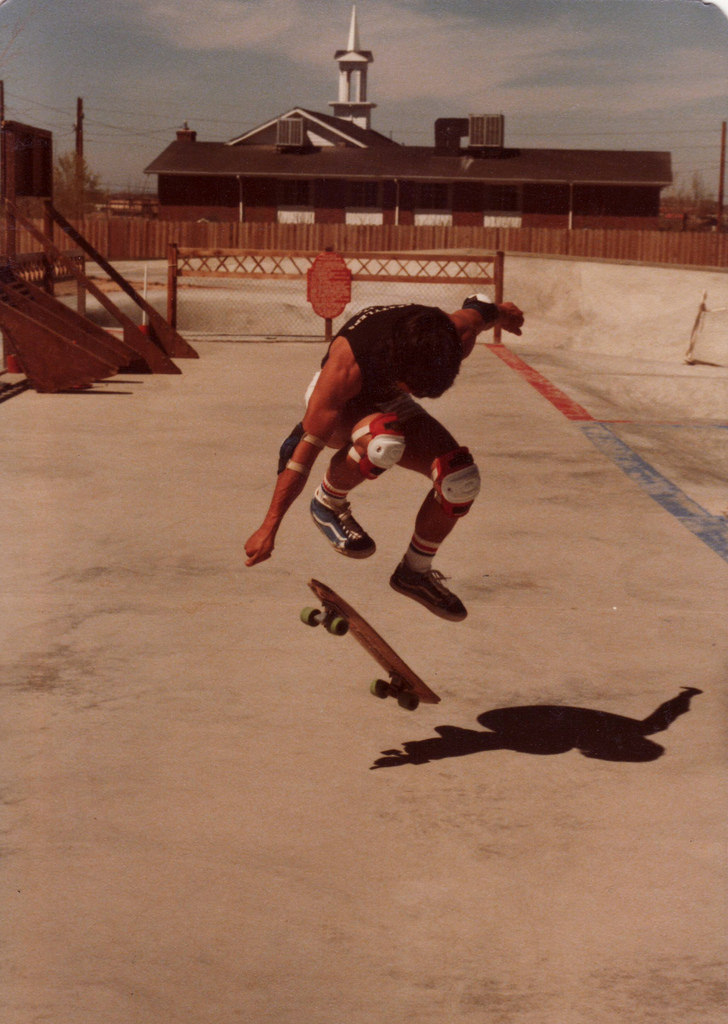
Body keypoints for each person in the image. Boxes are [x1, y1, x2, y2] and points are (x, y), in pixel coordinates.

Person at [244, 294, 524, 621]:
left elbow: (481, 310)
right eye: (412, 387)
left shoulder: (454, 333)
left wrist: (505, 314)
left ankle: (414, 573)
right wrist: (269, 527)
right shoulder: (346, 366)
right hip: (347, 404)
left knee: (460, 480)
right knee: (384, 442)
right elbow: (298, 450)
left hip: (387, 398)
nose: (415, 394)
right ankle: (327, 503)